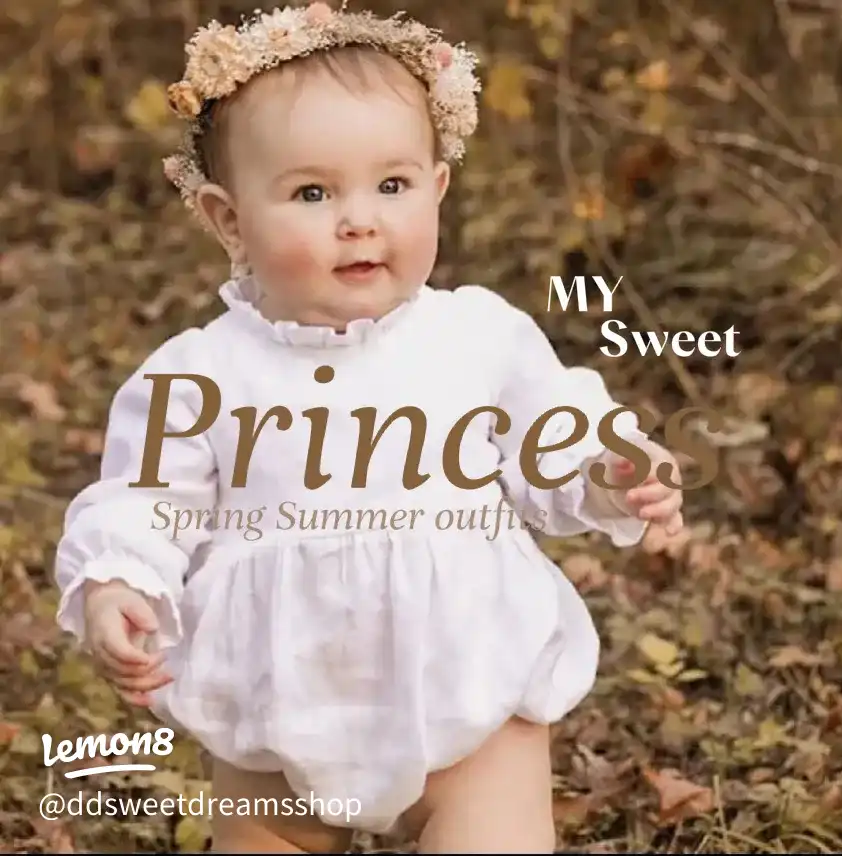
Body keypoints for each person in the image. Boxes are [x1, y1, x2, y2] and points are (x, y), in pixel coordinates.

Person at [52, 4, 685, 852]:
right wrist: (120, 580)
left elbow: (557, 436)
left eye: (393, 185)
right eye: (313, 193)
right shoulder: (199, 373)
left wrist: (612, 467)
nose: (360, 219)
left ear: (437, 187)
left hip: (467, 701)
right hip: (279, 717)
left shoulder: (476, 336)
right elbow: (146, 496)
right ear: (229, 219)